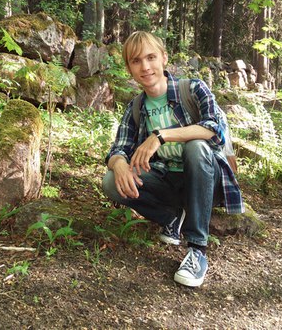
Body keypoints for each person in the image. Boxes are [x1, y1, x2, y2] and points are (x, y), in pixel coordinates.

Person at [102, 31, 244, 287]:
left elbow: (214, 130)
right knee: (111, 181)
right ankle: (171, 217)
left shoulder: (193, 89)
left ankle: (197, 250)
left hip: (205, 182)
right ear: (129, 68)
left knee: (196, 147)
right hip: (167, 182)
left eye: (151, 57)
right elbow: (117, 149)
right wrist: (120, 164)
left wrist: (160, 136)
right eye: (136, 61)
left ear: (164, 58)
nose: (145, 67)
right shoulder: (136, 107)